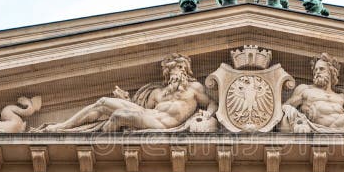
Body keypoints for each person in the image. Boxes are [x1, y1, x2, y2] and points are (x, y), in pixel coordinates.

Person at [33, 54, 217, 132]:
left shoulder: (194, 90)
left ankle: (103, 141)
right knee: (103, 102)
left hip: (162, 125)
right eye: (169, 72)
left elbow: (213, 102)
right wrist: (125, 99)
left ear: (185, 70)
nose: (173, 74)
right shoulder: (158, 93)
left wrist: (206, 114)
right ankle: (63, 127)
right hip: (147, 115)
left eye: (177, 69)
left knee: (119, 115)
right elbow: (140, 109)